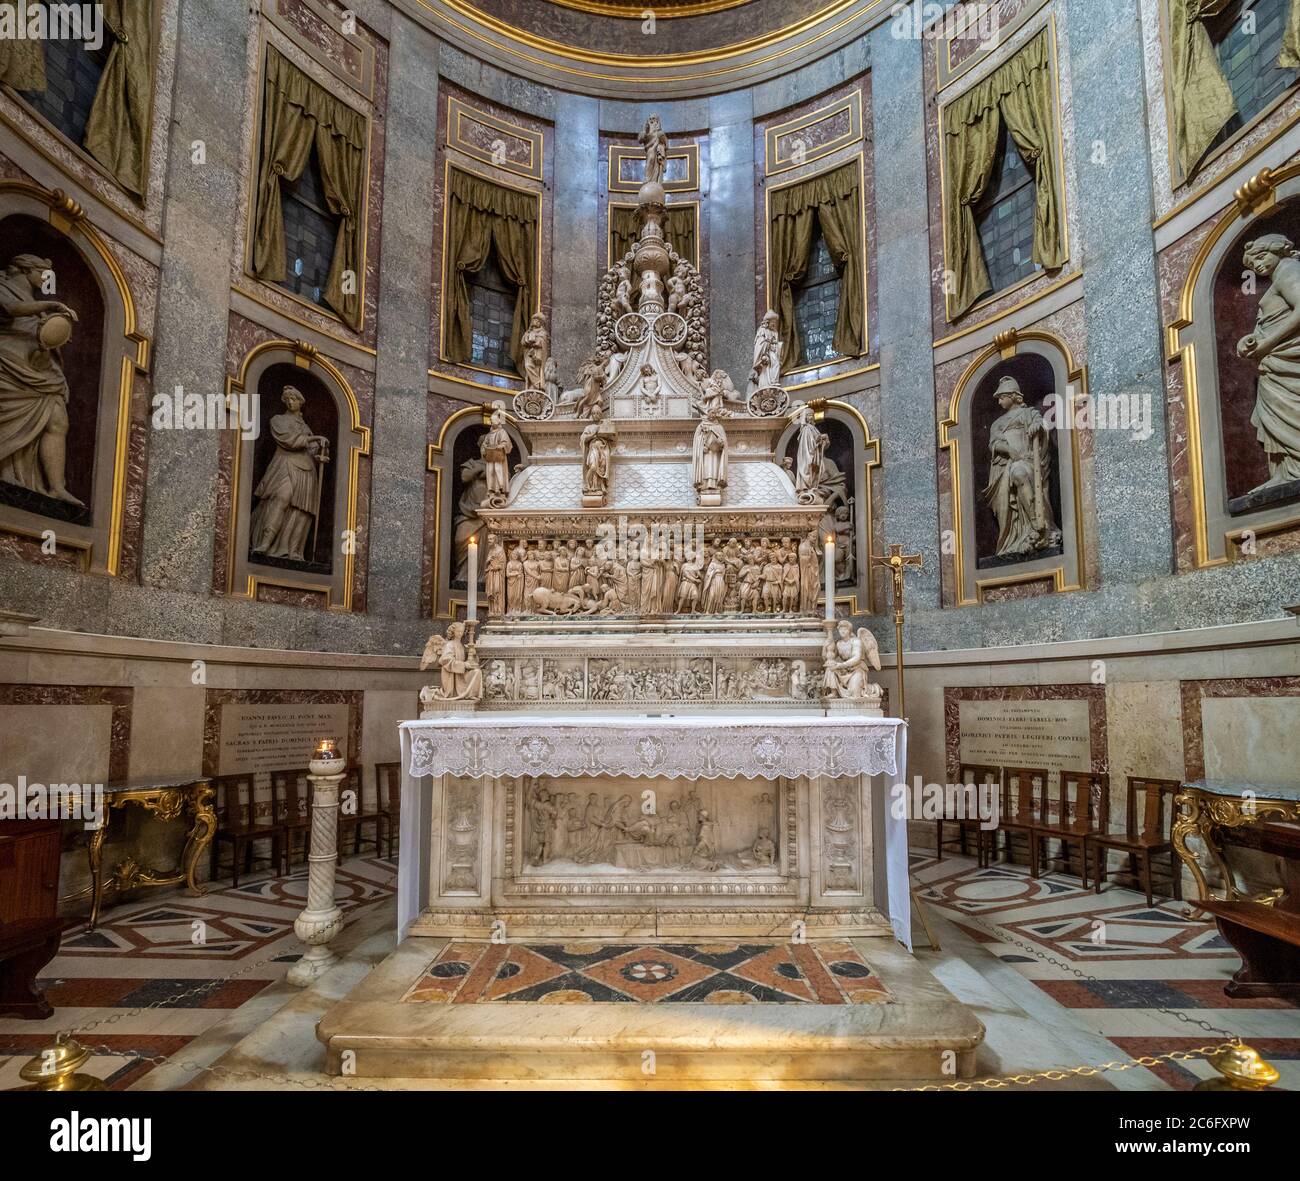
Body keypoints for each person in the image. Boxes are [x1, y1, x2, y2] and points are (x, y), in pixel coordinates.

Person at [0, 253, 81, 503]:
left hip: (40, 372)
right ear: (26, 270)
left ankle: (56, 487)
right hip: (10, 365)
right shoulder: (3, 287)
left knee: (58, 421)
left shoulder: (33, 302)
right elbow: (9, 309)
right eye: (42, 273)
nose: (46, 278)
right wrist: (49, 306)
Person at [1238, 234, 1300, 491]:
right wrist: (1251, 340)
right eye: (1253, 265)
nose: (1259, 266)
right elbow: (1274, 318)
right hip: (1274, 362)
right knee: (1274, 414)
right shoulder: (1278, 276)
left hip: (1287, 360)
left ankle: (1293, 470)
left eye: (1262, 257)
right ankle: (1287, 471)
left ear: (1279, 251)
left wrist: (1266, 343)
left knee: (1288, 409)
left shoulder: (1288, 269)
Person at [981, 375, 1059, 557]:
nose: (999, 401)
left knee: (1020, 472)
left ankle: (1039, 525)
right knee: (1016, 472)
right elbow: (993, 444)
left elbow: (1040, 424)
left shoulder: (1028, 413)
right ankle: (1028, 529)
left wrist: (1036, 427)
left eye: (1002, 397)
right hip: (1007, 466)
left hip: (1030, 461)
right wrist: (1008, 449)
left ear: (1013, 396)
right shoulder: (997, 423)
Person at [250, 387, 329, 562]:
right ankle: (265, 543)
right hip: (285, 465)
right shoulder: (278, 420)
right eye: (287, 399)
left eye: (293, 399)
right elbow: (289, 441)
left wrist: (319, 453)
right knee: (281, 499)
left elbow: (310, 449)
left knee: (301, 511)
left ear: (300, 402)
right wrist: (313, 438)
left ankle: (293, 551)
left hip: (307, 471)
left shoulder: (306, 426)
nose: (290, 402)